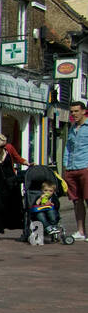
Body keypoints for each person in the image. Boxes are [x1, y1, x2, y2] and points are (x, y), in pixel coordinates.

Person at [64, 100, 88, 240]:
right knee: (76, 201)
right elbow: (68, 147)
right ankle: (80, 231)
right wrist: (66, 166)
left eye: (76, 111)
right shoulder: (72, 128)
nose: (74, 114)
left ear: (84, 111)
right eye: (72, 111)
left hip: (85, 167)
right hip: (72, 169)